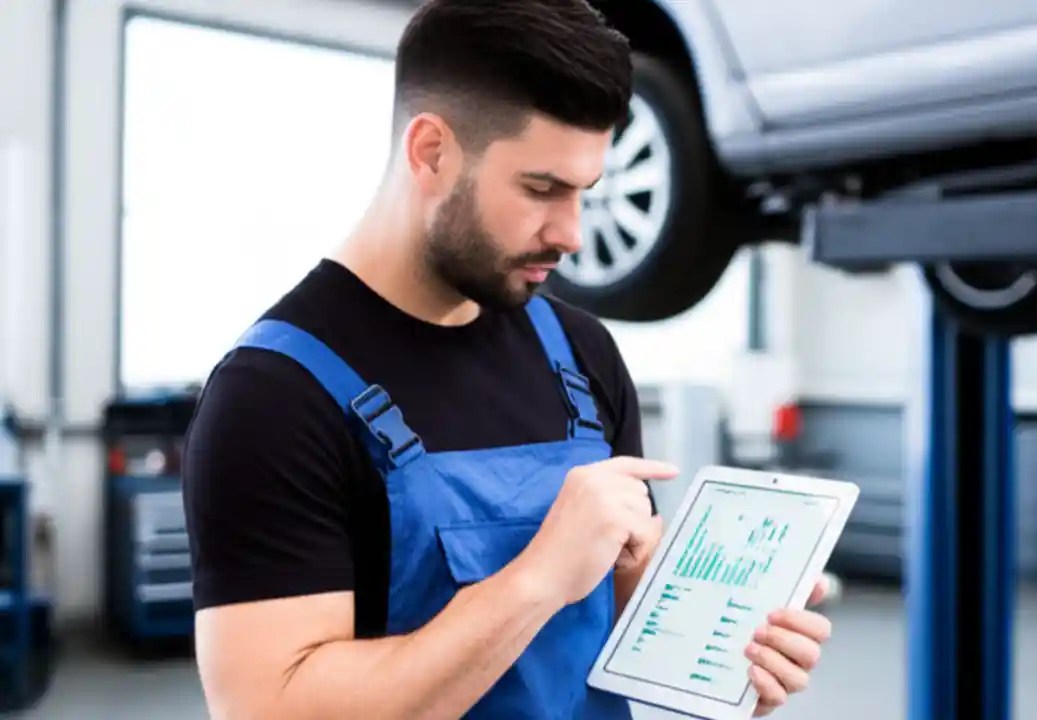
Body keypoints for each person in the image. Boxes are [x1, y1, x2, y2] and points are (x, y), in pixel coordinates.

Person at [182, 1, 834, 718]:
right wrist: (537, 578)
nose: (573, 234)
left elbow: (619, 631)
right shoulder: (273, 395)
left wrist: (730, 655)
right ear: (431, 151)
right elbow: (271, 710)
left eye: (586, 191)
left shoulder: (584, 355)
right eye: (541, 189)